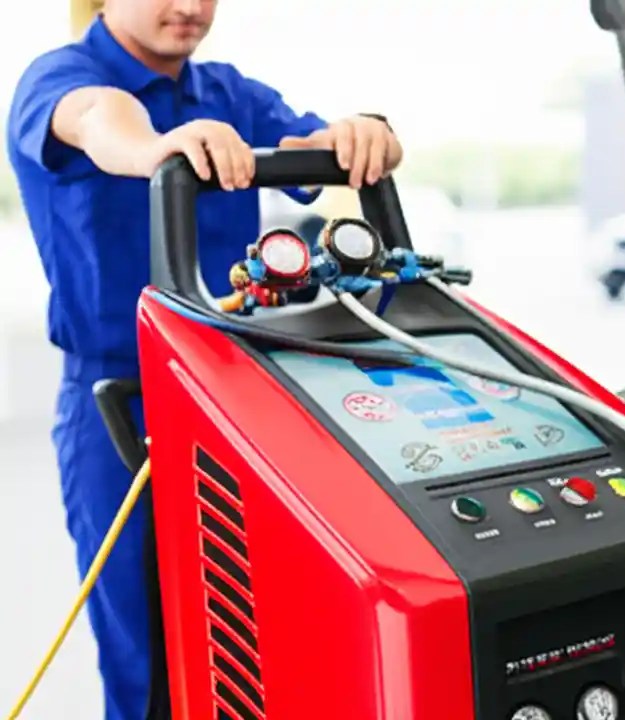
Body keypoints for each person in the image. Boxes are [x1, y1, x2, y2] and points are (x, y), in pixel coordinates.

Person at [5, 1, 402, 718]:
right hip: (119, 407)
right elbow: (100, 122)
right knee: (146, 655)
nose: (189, 7)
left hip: (237, 397)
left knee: (257, 639)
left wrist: (360, 134)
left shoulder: (227, 94)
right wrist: (158, 149)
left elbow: (310, 146)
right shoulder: (62, 77)